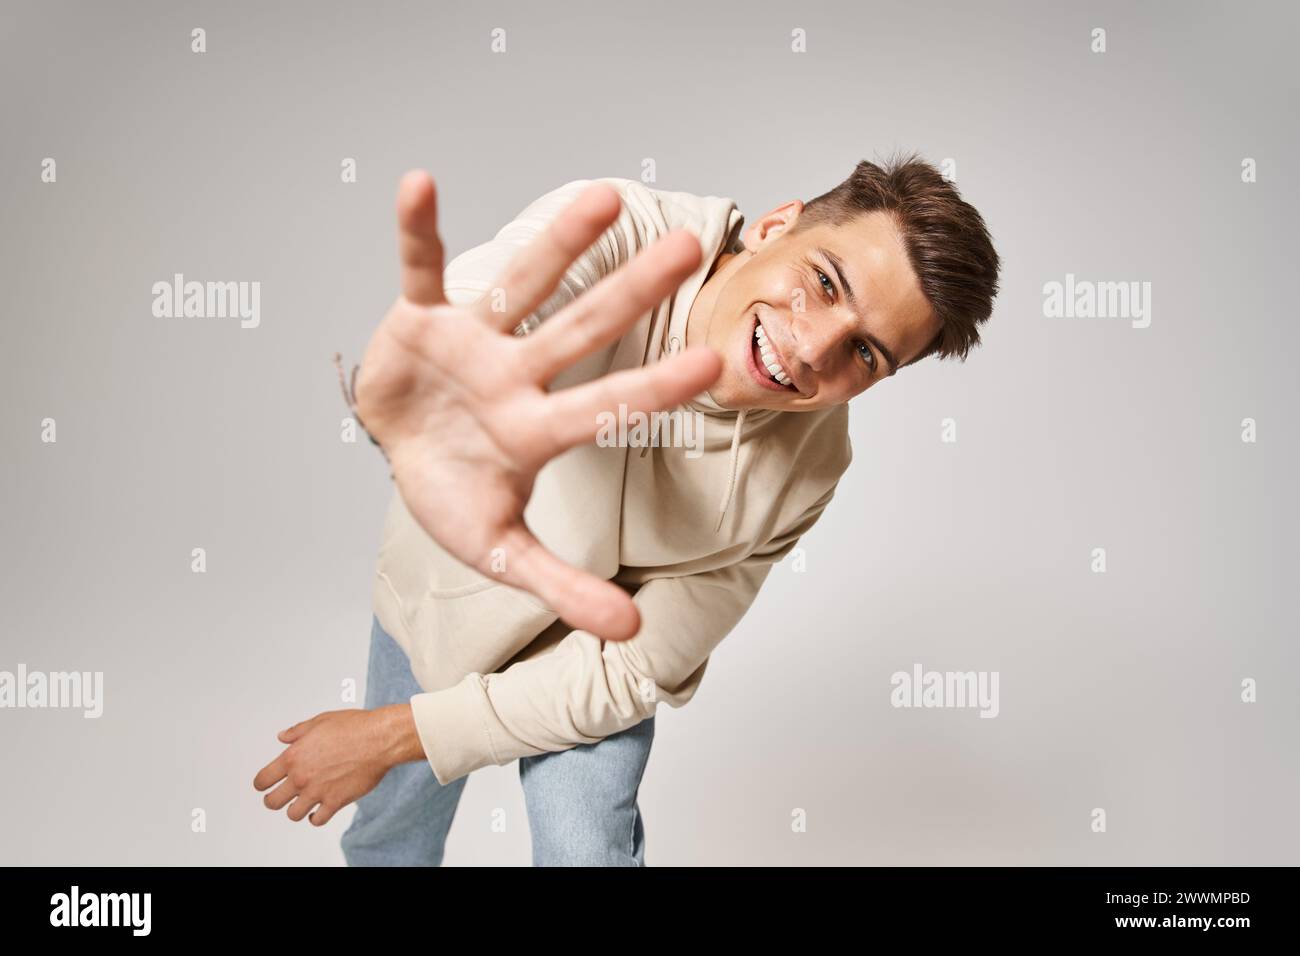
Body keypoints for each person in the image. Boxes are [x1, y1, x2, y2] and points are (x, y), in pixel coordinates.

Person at [253, 153, 1001, 865]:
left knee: (588, 854)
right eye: (826, 282)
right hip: (446, 595)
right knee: (390, 837)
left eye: (867, 354)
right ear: (776, 227)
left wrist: (390, 736)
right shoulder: (623, 234)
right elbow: (504, 293)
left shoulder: (812, 467)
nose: (813, 348)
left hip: (589, 660)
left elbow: (632, 670)